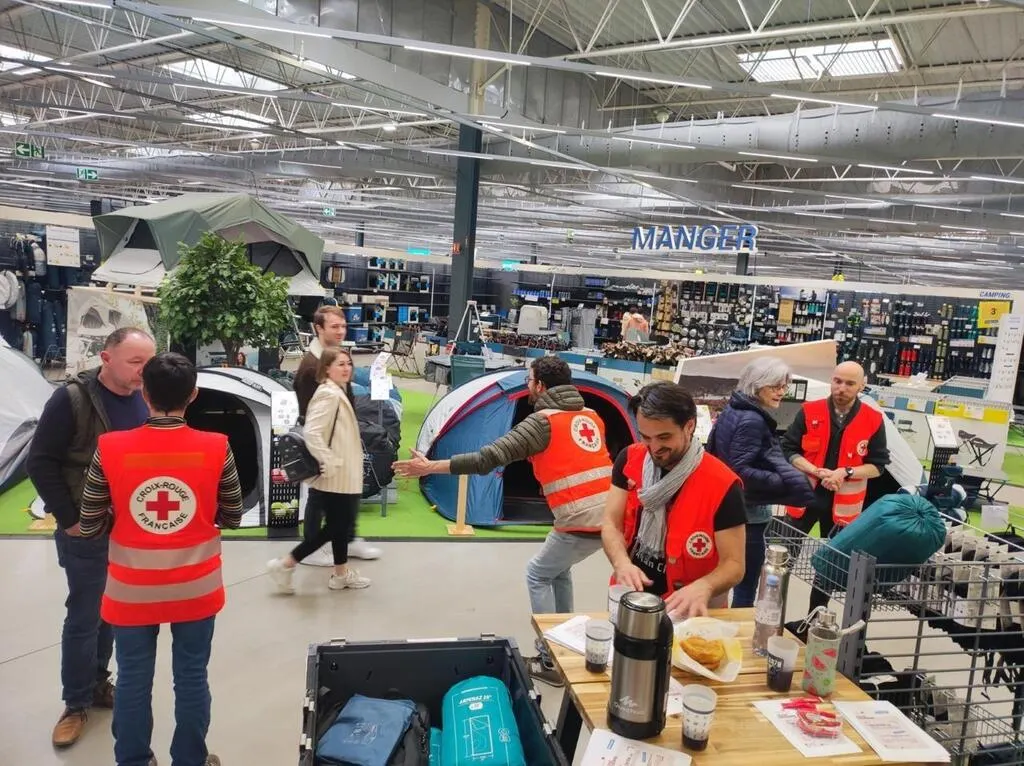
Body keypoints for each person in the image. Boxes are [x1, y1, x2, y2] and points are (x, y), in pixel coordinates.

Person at [392, 356, 612, 687]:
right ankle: (566, 646)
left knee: (537, 574)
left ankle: (549, 658)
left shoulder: (542, 423)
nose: (526, 386)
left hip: (579, 517)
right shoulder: (592, 416)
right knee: (558, 571)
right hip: (609, 517)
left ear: (540, 386)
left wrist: (430, 467)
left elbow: (486, 459)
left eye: (529, 380)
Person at [78, 352, 243, 766]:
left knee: (133, 679)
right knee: (191, 677)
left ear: (144, 392)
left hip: (131, 591)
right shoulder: (217, 446)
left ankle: (133, 760)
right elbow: (234, 515)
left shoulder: (110, 448)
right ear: (194, 395)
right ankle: (190, 759)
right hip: (196, 588)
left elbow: (90, 520)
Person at [26, 327, 156, 748]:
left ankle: (100, 684)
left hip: (128, 530)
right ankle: (76, 702)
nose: (143, 371)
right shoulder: (72, 399)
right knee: (84, 616)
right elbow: (40, 463)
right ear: (107, 358)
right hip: (85, 529)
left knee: (113, 614)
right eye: (135, 362)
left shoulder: (144, 397)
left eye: (148, 362)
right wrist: (68, 519)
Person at [602, 382, 746, 619]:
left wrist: (705, 586)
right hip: (629, 598)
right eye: (645, 436)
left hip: (689, 612)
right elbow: (611, 523)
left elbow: (734, 565)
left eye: (664, 437)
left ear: (689, 426)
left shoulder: (723, 485)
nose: (654, 448)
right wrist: (621, 564)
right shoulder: (629, 460)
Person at [781, 361, 890, 613]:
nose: (841, 388)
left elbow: (878, 465)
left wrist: (845, 473)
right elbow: (788, 449)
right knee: (783, 561)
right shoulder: (809, 411)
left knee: (829, 566)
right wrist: (812, 469)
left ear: (862, 385)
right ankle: (774, 615)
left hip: (842, 507)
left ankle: (813, 620)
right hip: (803, 498)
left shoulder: (873, 420)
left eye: (850, 383)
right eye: (837, 381)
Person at [705, 358, 814, 607]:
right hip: (749, 513)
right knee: (746, 582)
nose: (782, 392)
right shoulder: (753, 420)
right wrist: (782, 482)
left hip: (731, 507)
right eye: (775, 386)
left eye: (784, 386)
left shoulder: (734, 410)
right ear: (757, 385)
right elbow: (741, 470)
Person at [267, 347, 371, 593]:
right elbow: (313, 432)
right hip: (336, 475)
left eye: (348, 364)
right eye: (340, 364)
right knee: (336, 527)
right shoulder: (329, 394)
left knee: (339, 525)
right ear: (326, 369)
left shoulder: (338, 391)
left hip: (340, 474)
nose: (346, 368)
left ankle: (340, 574)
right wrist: (328, 460)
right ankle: (285, 564)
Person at [293, 305, 380, 565]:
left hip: (341, 442)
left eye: (343, 326)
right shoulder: (312, 365)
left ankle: (347, 539)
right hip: (325, 443)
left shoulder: (335, 356)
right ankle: (311, 547)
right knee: (320, 495)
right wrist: (325, 452)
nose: (341, 331)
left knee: (346, 494)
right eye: (334, 326)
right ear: (318, 329)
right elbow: (313, 415)